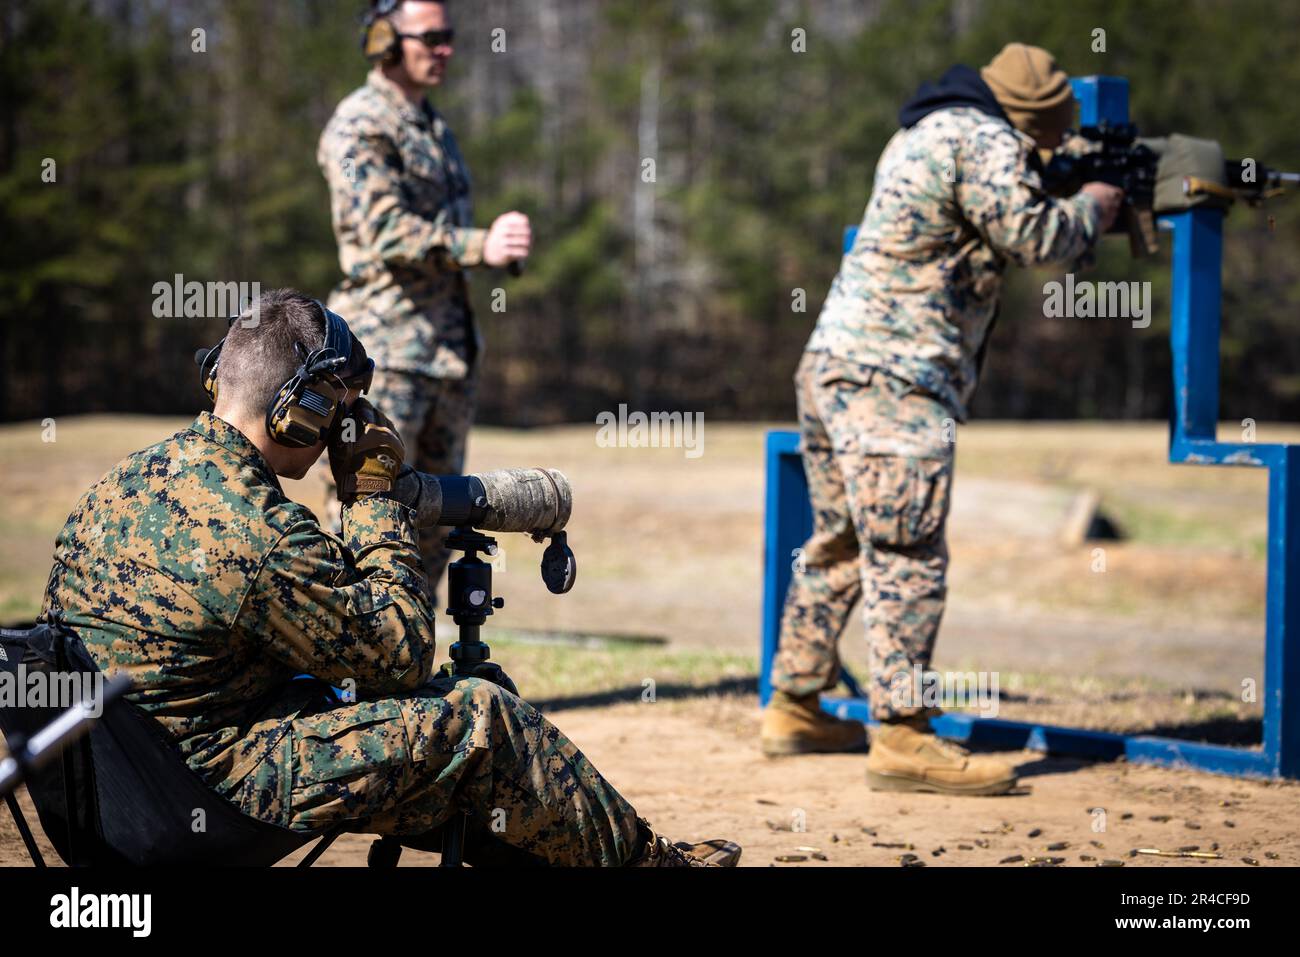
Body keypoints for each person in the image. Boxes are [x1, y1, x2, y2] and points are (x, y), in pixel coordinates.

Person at [41, 289, 739, 866]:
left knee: (418, 744)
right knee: (477, 718)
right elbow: (400, 655)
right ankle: (654, 866)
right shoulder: (260, 534)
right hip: (204, 793)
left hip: (103, 799)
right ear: (301, 409)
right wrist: (373, 501)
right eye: (339, 410)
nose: (345, 431)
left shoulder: (119, 484)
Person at [760, 43, 1125, 796]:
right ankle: (903, 735)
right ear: (1034, 121)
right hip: (897, 378)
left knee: (841, 543)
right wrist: (1095, 203)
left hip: (834, 363)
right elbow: (1036, 235)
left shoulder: (923, 132)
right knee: (907, 551)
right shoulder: (985, 139)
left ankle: (794, 703)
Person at [316, 0, 532, 595]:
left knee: (434, 519)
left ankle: (408, 662)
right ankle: (342, 677)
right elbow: (384, 230)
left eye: (449, 37)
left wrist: (497, 249)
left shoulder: (434, 127)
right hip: (388, 353)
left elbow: (440, 239)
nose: (445, 49)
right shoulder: (359, 124)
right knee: (366, 509)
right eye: (430, 37)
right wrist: (476, 243)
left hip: (446, 355)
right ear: (385, 39)